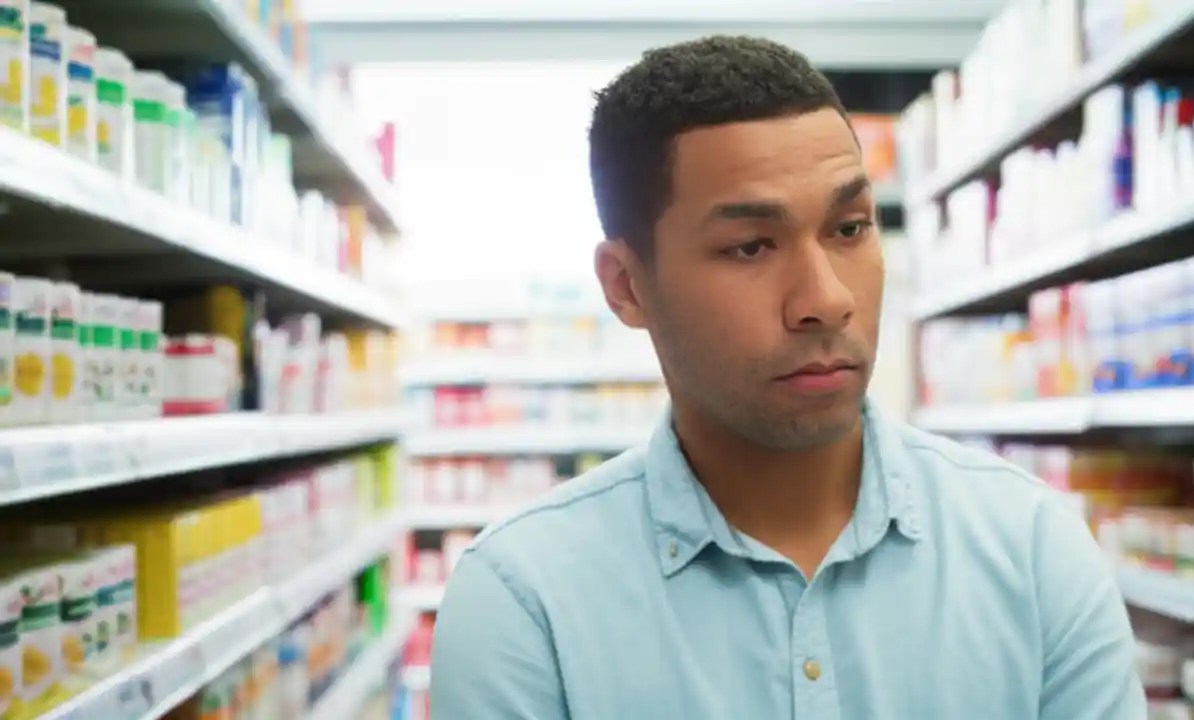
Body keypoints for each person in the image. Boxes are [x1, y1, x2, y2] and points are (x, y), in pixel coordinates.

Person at [430, 36, 1143, 719]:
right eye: (750, 246)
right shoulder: (525, 602)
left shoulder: (1032, 549)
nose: (827, 299)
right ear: (626, 286)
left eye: (849, 228)